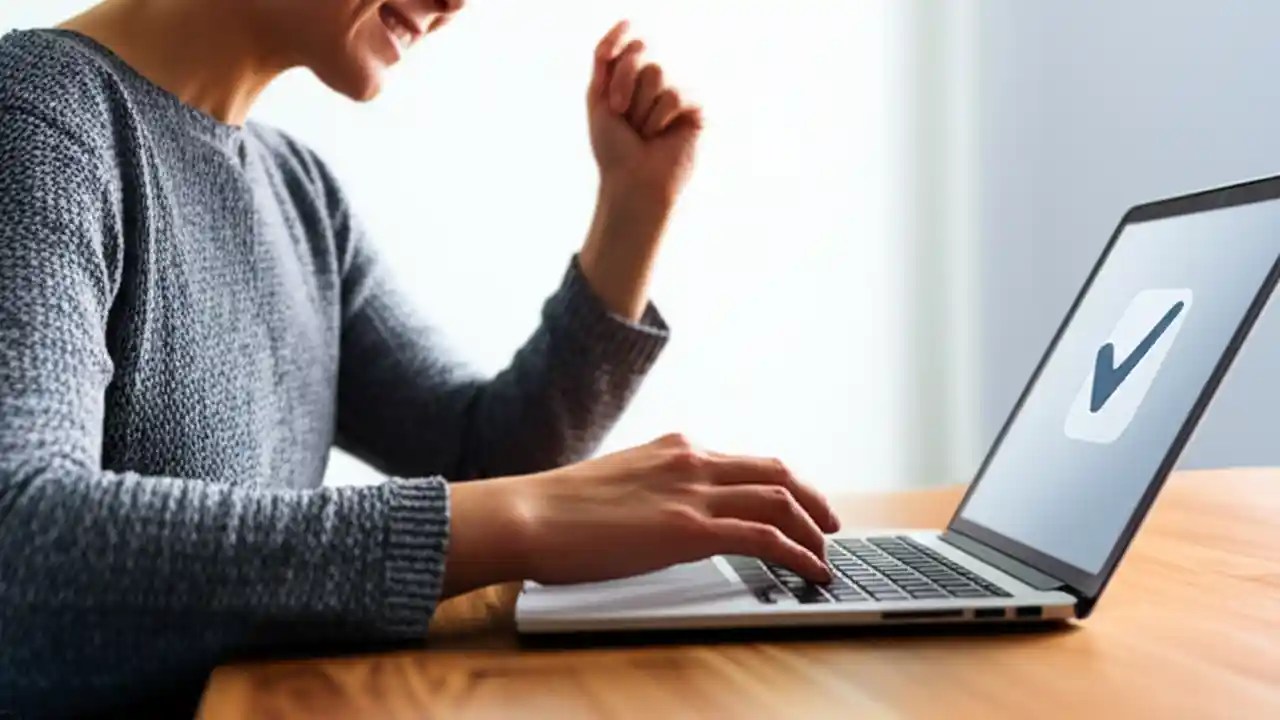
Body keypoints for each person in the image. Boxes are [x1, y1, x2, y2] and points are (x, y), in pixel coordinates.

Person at [0, 0, 840, 715]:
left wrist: (633, 208)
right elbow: (22, 546)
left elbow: (483, 458)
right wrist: (528, 517)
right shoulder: (36, 116)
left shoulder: (300, 196)